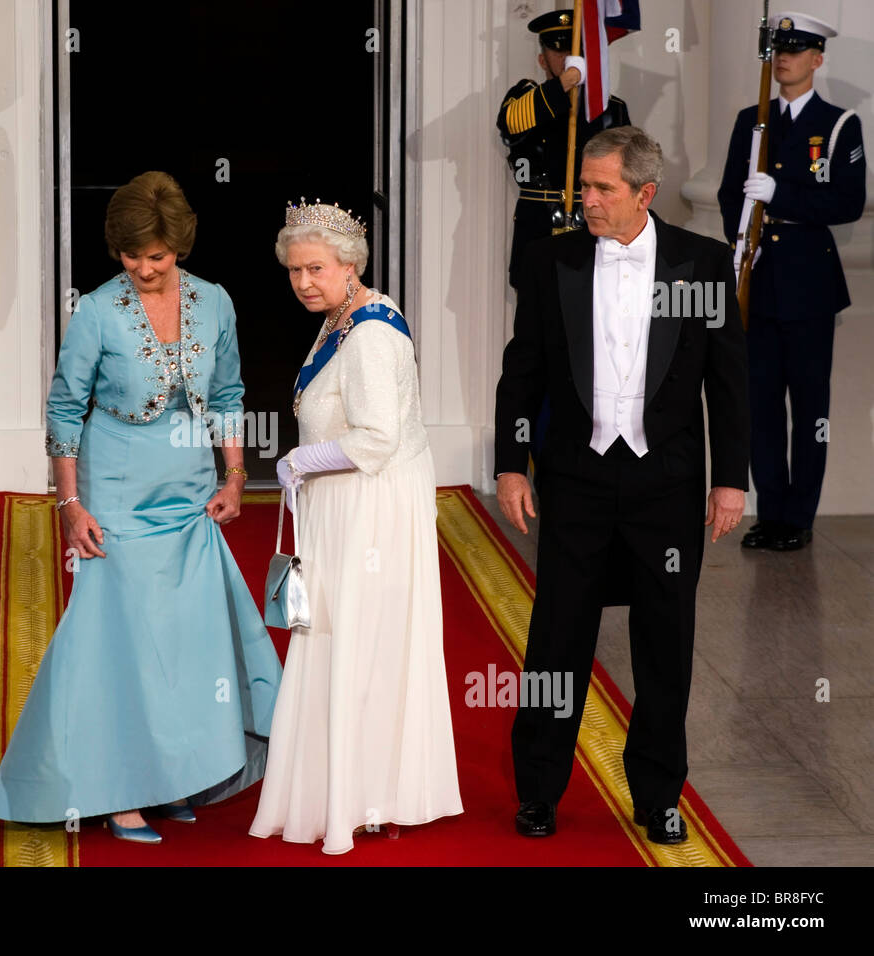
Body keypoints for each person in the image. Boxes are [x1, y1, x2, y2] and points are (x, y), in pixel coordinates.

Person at [0, 171, 281, 844]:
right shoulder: (94, 311)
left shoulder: (215, 302)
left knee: (183, 641)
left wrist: (236, 476)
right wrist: (69, 504)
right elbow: (63, 410)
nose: (144, 268)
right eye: (131, 254)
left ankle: (169, 777)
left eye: (158, 256)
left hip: (190, 493)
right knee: (123, 642)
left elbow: (230, 393)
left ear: (181, 245)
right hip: (114, 488)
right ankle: (118, 794)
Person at [494, 127, 749, 844]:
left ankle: (659, 795)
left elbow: (729, 382)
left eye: (603, 188)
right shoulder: (552, 261)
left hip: (666, 486)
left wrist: (730, 481)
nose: (588, 200)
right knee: (557, 640)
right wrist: (512, 463)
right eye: (585, 186)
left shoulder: (702, 263)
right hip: (574, 479)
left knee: (665, 645)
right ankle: (539, 791)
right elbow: (523, 371)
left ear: (646, 192)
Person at [250, 199, 463, 855]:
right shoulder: (341, 317)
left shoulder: (371, 334)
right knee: (348, 644)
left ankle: (369, 795)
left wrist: (297, 460)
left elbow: (373, 440)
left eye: (315, 268)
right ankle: (350, 787)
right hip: (345, 504)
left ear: (349, 265)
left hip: (369, 509)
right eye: (294, 271)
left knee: (365, 647)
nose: (304, 283)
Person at [716, 12, 866, 552]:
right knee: (759, 403)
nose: (785, 58)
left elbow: (847, 201)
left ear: (817, 59)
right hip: (761, 275)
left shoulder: (839, 123)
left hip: (808, 278)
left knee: (808, 406)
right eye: (780, 49)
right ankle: (770, 511)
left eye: (798, 49)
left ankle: (799, 515)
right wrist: (741, 247)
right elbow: (729, 192)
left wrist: (782, 196)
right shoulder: (750, 120)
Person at [498, 7, 630, 289]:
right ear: (542, 59)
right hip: (539, 225)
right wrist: (567, 81)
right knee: (536, 325)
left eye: (576, 50)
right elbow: (510, 125)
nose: (569, 57)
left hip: (594, 226)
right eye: (559, 51)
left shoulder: (611, 109)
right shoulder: (526, 96)